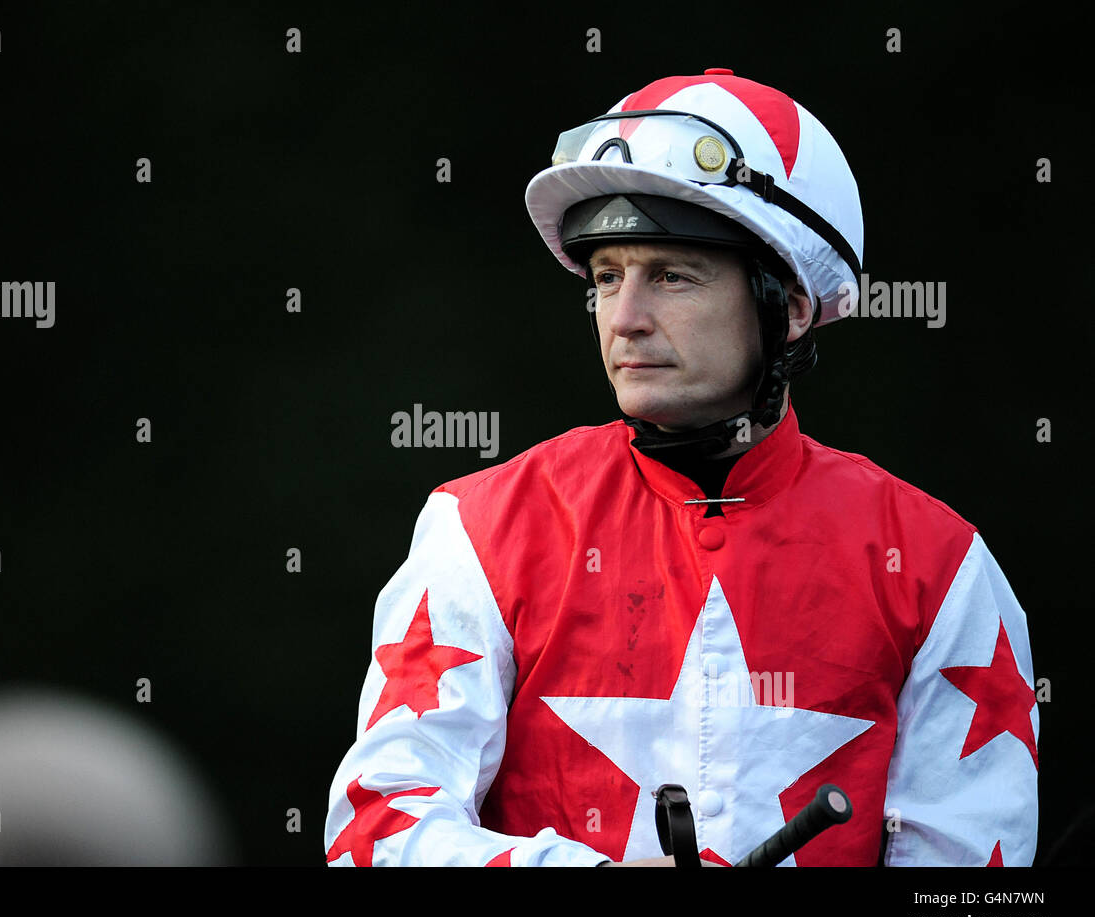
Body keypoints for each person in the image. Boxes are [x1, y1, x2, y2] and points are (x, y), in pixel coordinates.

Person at [323, 69, 1038, 866]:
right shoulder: (479, 529)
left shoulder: (940, 566)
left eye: (671, 276)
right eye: (606, 278)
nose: (624, 319)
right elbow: (376, 832)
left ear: (790, 306)